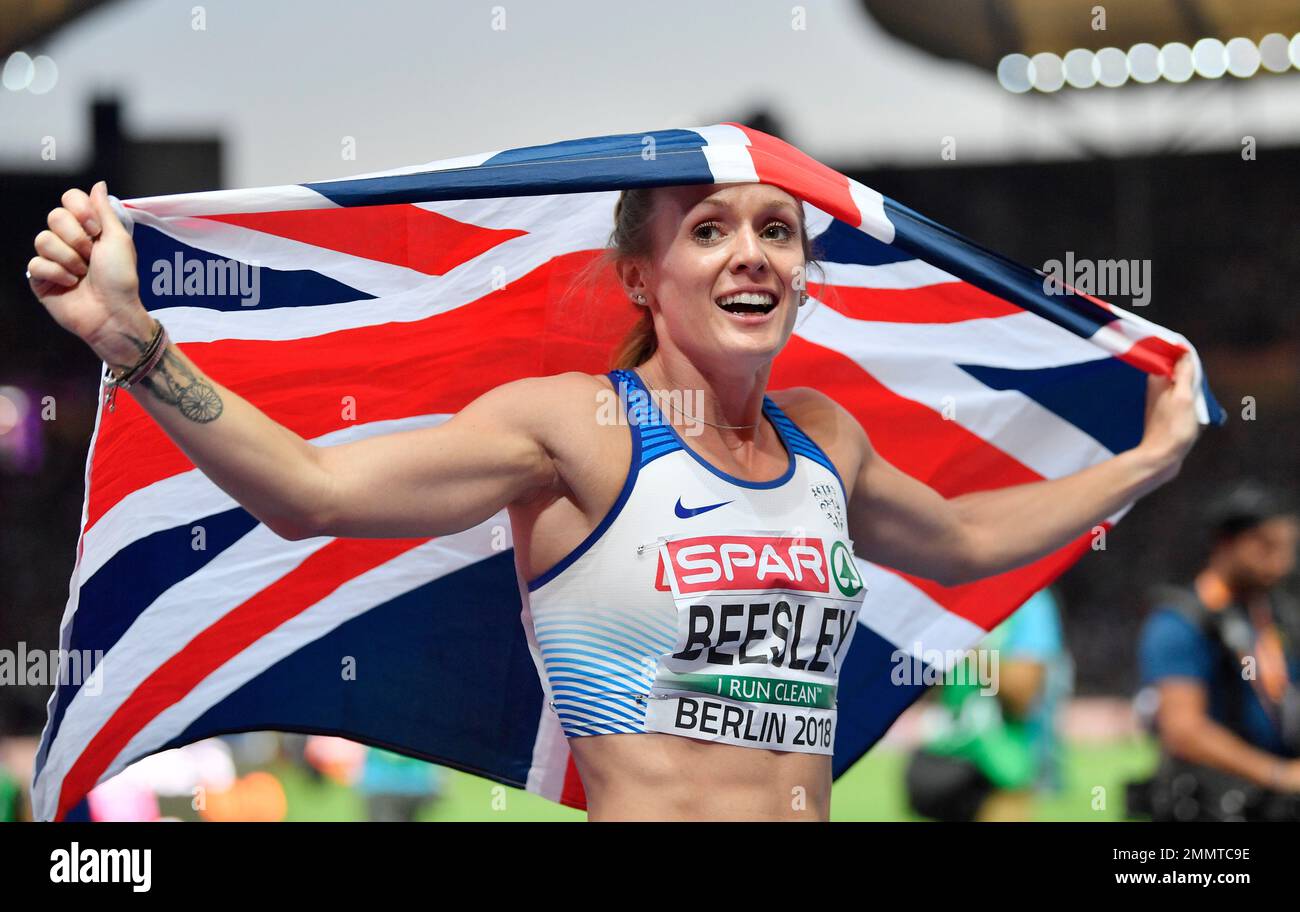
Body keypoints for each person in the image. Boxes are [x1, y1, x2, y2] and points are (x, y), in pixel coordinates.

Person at [27, 179, 1201, 821]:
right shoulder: (577, 429)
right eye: (708, 230)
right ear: (640, 275)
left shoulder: (824, 444)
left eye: (778, 231)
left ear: (806, 269)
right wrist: (135, 345)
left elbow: (965, 540)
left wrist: (1145, 461)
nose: (753, 254)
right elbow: (313, 491)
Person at [1133, 481, 1300, 821]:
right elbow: (1183, 730)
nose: (1280, 562)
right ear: (1226, 544)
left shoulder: (1280, 616)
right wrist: (1278, 775)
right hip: (1208, 805)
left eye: (1288, 548)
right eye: (1266, 546)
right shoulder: (1180, 621)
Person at [905, 587, 1072, 822]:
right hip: (946, 759)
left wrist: (968, 642)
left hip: (999, 766)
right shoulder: (957, 590)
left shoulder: (1029, 601)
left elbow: (1022, 695)